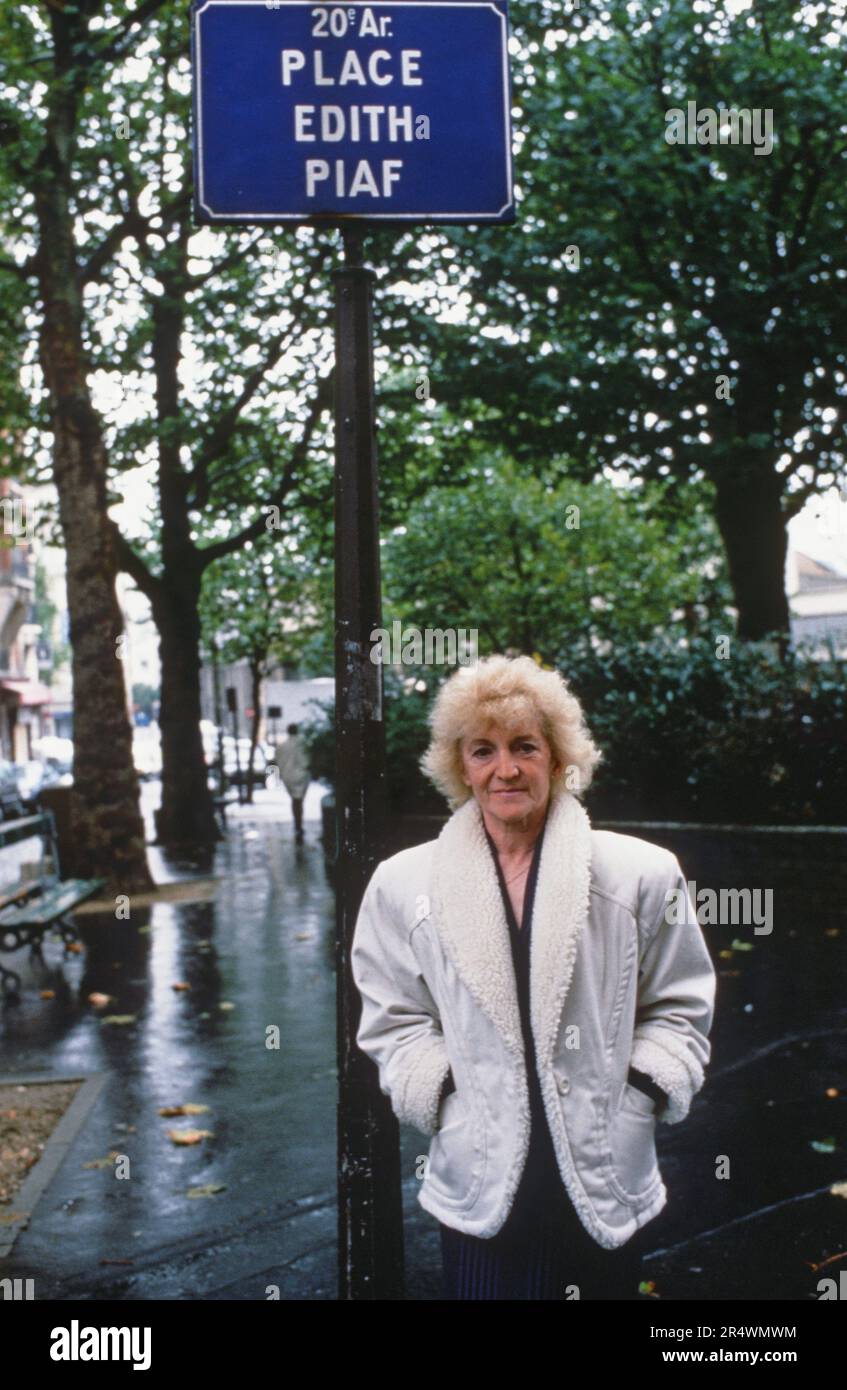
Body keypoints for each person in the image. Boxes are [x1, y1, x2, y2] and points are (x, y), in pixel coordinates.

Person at [351, 653, 716, 1301]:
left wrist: (640, 1093)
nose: (505, 769)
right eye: (482, 750)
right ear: (457, 765)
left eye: (524, 746)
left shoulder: (640, 874)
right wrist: (443, 1093)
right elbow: (393, 1018)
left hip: (604, 1170)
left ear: (556, 757)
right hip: (481, 1171)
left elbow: (680, 1006)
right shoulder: (402, 884)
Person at [273, 723, 311, 843]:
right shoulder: (303, 744)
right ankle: (298, 824)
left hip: (288, 777)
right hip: (302, 776)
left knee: (295, 800)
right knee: (299, 800)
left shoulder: (281, 746)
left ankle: (297, 824)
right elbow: (306, 760)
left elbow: (277, 762)